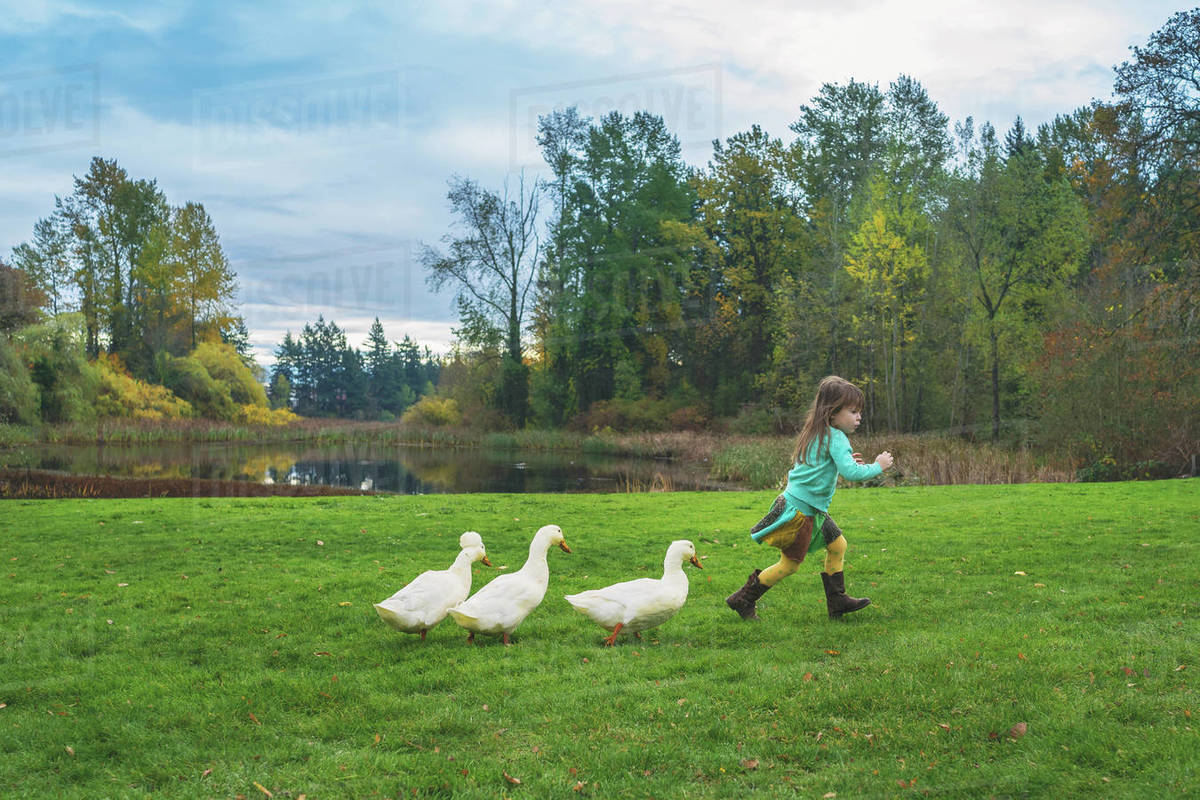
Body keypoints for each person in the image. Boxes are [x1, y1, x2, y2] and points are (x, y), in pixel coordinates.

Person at [725, 376, 894, 621]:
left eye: (860, 412)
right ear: (833, 413)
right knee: (789, 565)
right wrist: (878, 465)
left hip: (804, 507)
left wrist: (845, 462)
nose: (859, 417)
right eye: (853, 411)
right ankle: (743, 599)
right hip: (802, 513)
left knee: (838, 545)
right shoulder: (836, 437)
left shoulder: (816, 432)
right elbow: (852, 473)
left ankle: (837, 601)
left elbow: (828, 466)